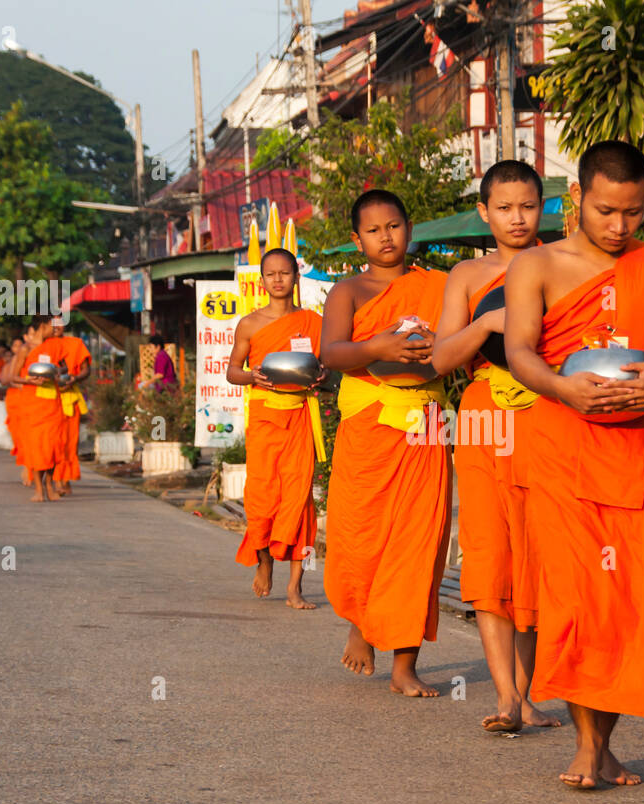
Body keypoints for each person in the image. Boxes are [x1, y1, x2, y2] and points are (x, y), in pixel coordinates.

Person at [505, 141, 644, 788]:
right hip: (561, 445)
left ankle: (603, 743)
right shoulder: (537, 266)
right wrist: (560, 386)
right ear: (578, 197)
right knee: (575, 600)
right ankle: (586, 745)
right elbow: (520, 350)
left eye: (633, 213)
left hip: (635, 451)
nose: (619, 226)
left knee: (624, 606)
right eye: (607, 210)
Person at [431, 159, 559, 733]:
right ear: (484, 212)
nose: (516, 218)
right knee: (488, 550)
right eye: (504, 208)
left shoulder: (562, 265)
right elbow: (439, 358)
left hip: (547, 413)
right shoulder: (466, 274)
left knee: (537, 553)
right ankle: (506, 696)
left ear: (544, 208)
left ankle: (528, 695)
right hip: (485, 417)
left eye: (528, 207)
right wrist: (485, 327)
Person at [320, 189, 451, 697]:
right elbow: (331, 353)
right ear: (357, 240)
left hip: (425, 420)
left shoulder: (438, 285)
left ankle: (405, 663)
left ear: (409, 228)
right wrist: (376, 345)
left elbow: (456, 341)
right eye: (373, 230)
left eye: (394, 226)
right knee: (362, 533)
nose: (386, 237)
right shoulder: (348, 292)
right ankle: (360, 621)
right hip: (370, 422)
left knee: (418, 541)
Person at [225, 248, 325, 610]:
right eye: (271, 274)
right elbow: (232, 371)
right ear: (262, 279)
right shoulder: (250, 324)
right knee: (263, 499)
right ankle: (265, 562)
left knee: (300, 502)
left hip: (299, 415)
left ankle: (295, 588)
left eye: (285, 272)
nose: (278, 279)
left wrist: (323, 375)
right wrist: (252, 375)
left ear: (296, 275)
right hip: (266, 417)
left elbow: (324, 365)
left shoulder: (313, 321)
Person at [14, 316, 67, 502]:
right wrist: (29, 380)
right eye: (53, 326)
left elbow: (63, 368)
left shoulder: (54, 346)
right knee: (37, 448)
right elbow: (13, 377)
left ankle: (49, 486)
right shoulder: (25, 349)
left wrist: (57, 374)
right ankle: (38, 489)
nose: (56, 329)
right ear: (42, 326)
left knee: (52, 447)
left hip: (52, 403)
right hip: (34, 404)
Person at [39, 317, 91, 496]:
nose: (57, 327)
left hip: (69, 398)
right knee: (53, 441)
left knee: (70, 442)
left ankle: (65, 479)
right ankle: (53, 479)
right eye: (53, 323)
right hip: (48, 399)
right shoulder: (43, 347)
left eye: (60, 323)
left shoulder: (75, 344)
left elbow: (86, 369)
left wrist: (75, 378)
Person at [1, 333, 34, 486]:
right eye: (15, 345)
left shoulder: (38, 354)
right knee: (21, 436)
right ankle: (27, 467)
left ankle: (34, 467)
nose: (18, 348)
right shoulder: (14, 360)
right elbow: (7, 379)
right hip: (17, 399)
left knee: (32, 435)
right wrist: (24, 384)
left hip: (34, 398)